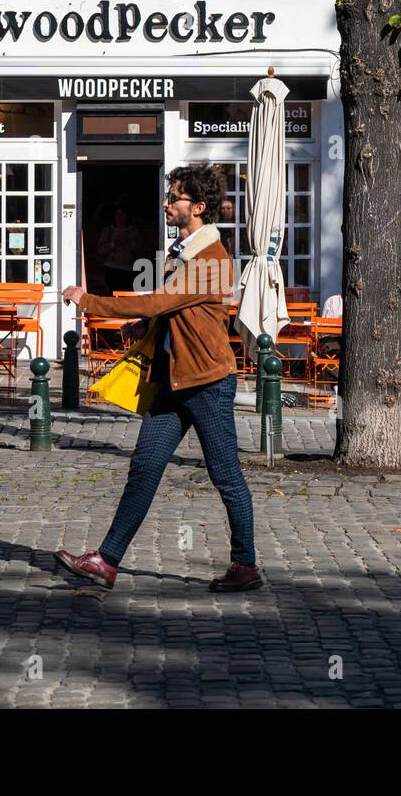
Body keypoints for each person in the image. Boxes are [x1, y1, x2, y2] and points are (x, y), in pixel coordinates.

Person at [56, 165, 261, 593]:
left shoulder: (211, 260)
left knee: (225, 475)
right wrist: (145, 330)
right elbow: (174, 312)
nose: (166, 204)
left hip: (207, 382)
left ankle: (245, 565)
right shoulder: (182, 251)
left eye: (174, 198)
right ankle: (106, 562)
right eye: (168, 196)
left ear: (198, 208)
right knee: (145, 467)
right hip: (173, 381)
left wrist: (89, 300)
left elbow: (158, 301)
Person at [96, 202, 141, 293]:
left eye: (122, 214)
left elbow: (140, 250)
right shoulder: (108, 231)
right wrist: (114, 243)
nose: (119, 217)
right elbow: (100, 250)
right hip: (111, 269)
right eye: (117, 214)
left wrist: (129, 242)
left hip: (128, 269)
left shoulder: (133, 231)